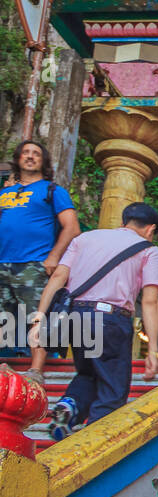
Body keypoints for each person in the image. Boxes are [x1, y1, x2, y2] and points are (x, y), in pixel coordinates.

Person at [31, 203, 158, 439]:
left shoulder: (85, 238)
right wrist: (152, 349)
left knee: (89, 374)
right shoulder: (149, 251)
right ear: (150, 229)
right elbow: (151, 301)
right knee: (112, 390)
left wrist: (39, 317)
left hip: (75, 317)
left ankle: (70, 405)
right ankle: (93, 444)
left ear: (124, 222)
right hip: (109, 319)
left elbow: (59, 276)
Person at [0, 140, 80, 385]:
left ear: (43, 161)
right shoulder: (4, 193)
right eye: (26, 153)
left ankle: (36, 369)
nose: (30, 156)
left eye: (36, 153)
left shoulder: (52, 191)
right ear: (18, 158)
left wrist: (54, 256)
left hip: (33, 263)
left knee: (36, 315)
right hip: (2, 263)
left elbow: (72, 227)